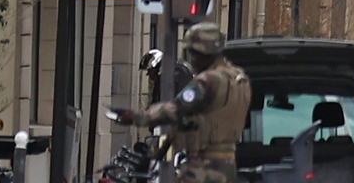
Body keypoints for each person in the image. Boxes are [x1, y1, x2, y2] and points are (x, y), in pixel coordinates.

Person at [108, 23, 252, 183]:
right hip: (228, 164)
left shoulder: (209, 80)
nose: (192, 59)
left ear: (203, 53)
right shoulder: (239, 78)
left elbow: (175, 108)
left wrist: (137, 117)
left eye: (193, 53)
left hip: (202, 166)